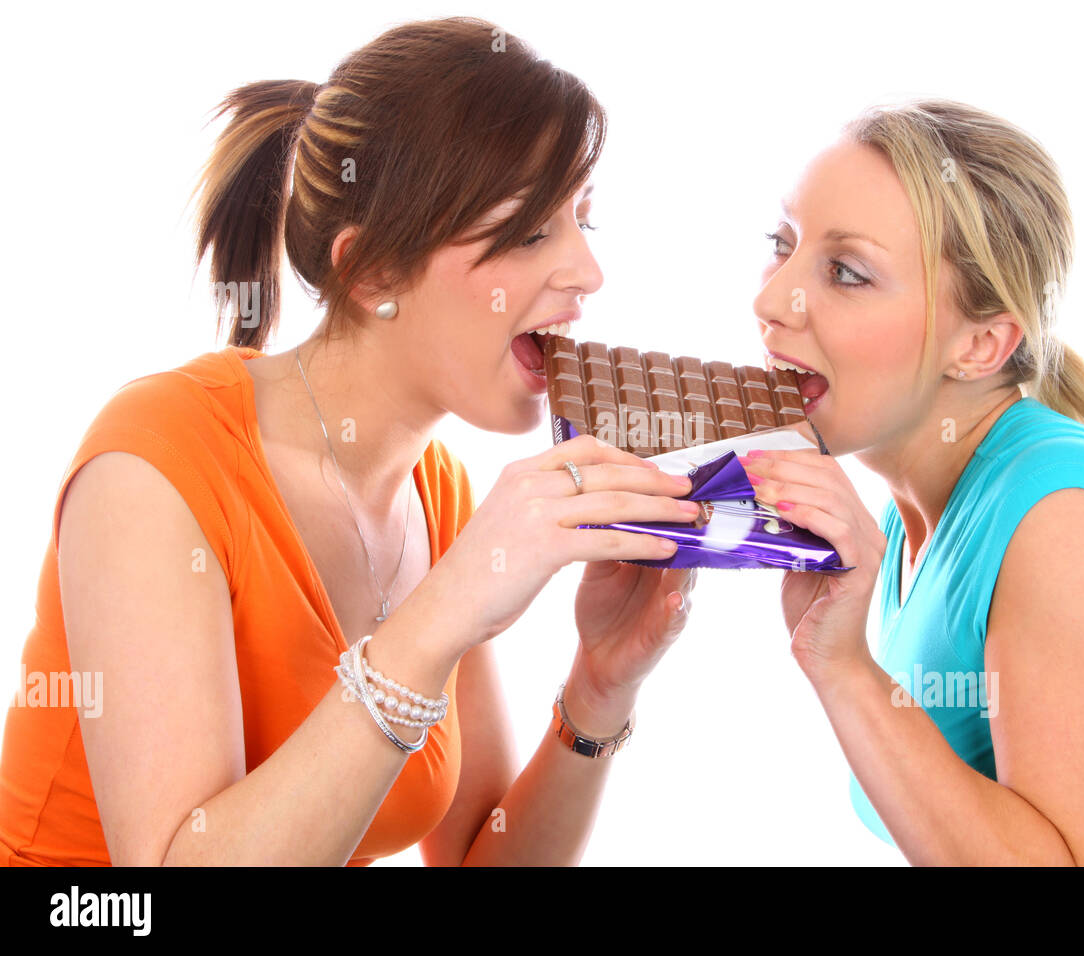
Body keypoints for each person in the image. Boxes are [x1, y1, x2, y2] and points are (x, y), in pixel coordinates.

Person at [0, 16, 699, 866]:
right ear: (370, 273)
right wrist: (442, 612)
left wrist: (598, 691)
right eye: (528, 232)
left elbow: (481, 859)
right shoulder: (153, 467)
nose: (589, 272)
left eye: (583, 219)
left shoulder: (436, 493)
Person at [739, 98, 1084, 865]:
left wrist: (843, 671)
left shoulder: (1064, 520)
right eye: (782, 244)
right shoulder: (911, 514)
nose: (770, 302)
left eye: (846, 272)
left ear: (981, 345)